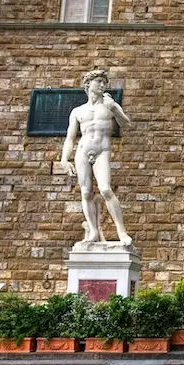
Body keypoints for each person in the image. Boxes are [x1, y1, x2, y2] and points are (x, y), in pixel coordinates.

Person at [60, 70, 132, 246]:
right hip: (83, 151)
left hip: (102, 150)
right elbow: (70, 137)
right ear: (88, 84)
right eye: (98, 81)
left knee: (106, 189)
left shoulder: (109, 105)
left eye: (104, 82)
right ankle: (93, 231)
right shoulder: (78, 111)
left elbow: (126, 124)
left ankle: (121, 231)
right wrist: (64, 159)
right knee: (85, 192)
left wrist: (115, 107)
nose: (102, 85)